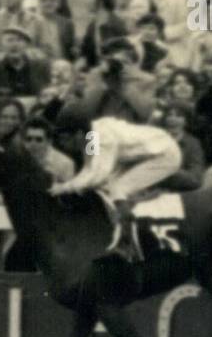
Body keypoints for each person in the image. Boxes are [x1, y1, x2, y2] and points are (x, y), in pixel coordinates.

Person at [50, 104, 183, 262]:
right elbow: (89, 171)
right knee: (108, 186)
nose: (63, 145)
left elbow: (95, 177)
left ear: (78, 134)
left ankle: (128, 244)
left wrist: (63, 188)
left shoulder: (102, 138)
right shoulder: (91, 135)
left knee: (117, 188)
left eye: (65, 139)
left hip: (165, 155)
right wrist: (67, 187)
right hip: (143, 155)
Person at [126, 0, 191, 68]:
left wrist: (163, 34)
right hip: (142, 43)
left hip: (170, 44)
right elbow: (131, 25)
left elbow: (185, 25)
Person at [0, 26, 51, 98]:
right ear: (1, 45)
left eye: (19, 40)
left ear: (27, 45)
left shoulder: (41, 68)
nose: (14, 45)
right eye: (10, 40)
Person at [78, 0, 128, 70]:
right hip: (95, 69)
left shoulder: (116, 24)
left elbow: (123, 53)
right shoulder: (92, 25)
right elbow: (86, 53)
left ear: (101, 1)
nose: (86, 1)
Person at [21, 116, 75, 185]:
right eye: (29, 139)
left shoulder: (65, 163)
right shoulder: (18, 160)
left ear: (49, 141)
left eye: (38, 139)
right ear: (23, 141)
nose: (33, 144)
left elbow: (67, 192)